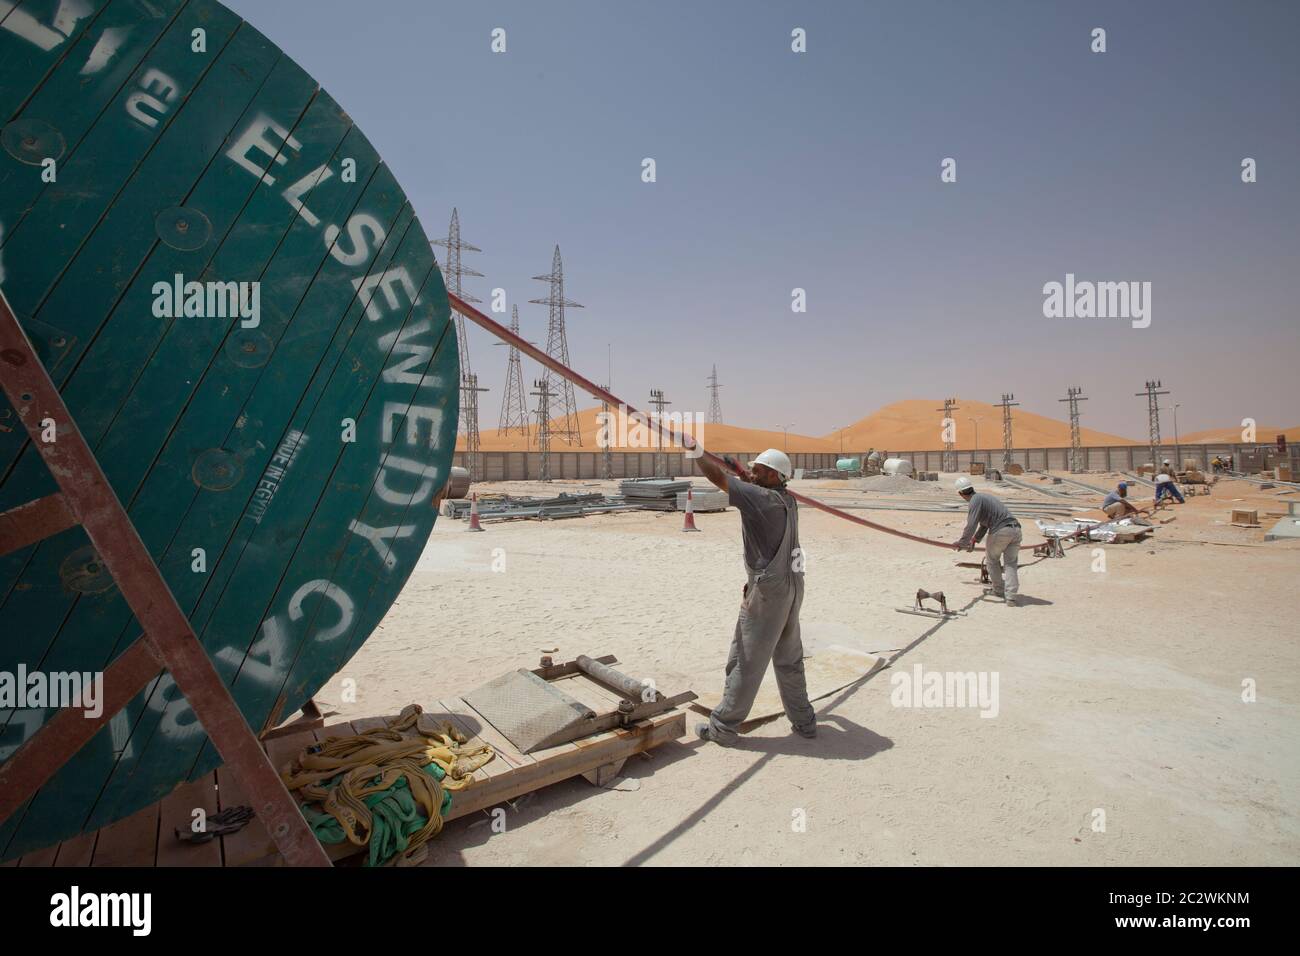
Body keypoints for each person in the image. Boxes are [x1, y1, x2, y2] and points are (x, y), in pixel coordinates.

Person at [693, 448, 816, 745]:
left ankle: (723, 727)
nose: (753, 473)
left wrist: (695, 452)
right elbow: (747, 481)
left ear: (774, 475)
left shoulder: (760, 499)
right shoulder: (788, 500)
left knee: (746, 658)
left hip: (770, 592)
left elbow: (716, 478)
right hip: (793, 585)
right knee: (789, 658)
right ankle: (805, 722)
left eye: (759, 470)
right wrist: (745, 473)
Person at [952, 476, 1022, 606]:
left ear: (961, 493)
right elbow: (984, 524)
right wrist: (974, 540)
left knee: (992, 561)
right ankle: (1011, 597)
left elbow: (971, 524)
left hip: (1000, 531)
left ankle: (998, 590)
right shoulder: (984, 498)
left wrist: (962, 542)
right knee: (1011, 563)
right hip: (1016, 529)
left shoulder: (975, 500)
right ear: (971, 488)